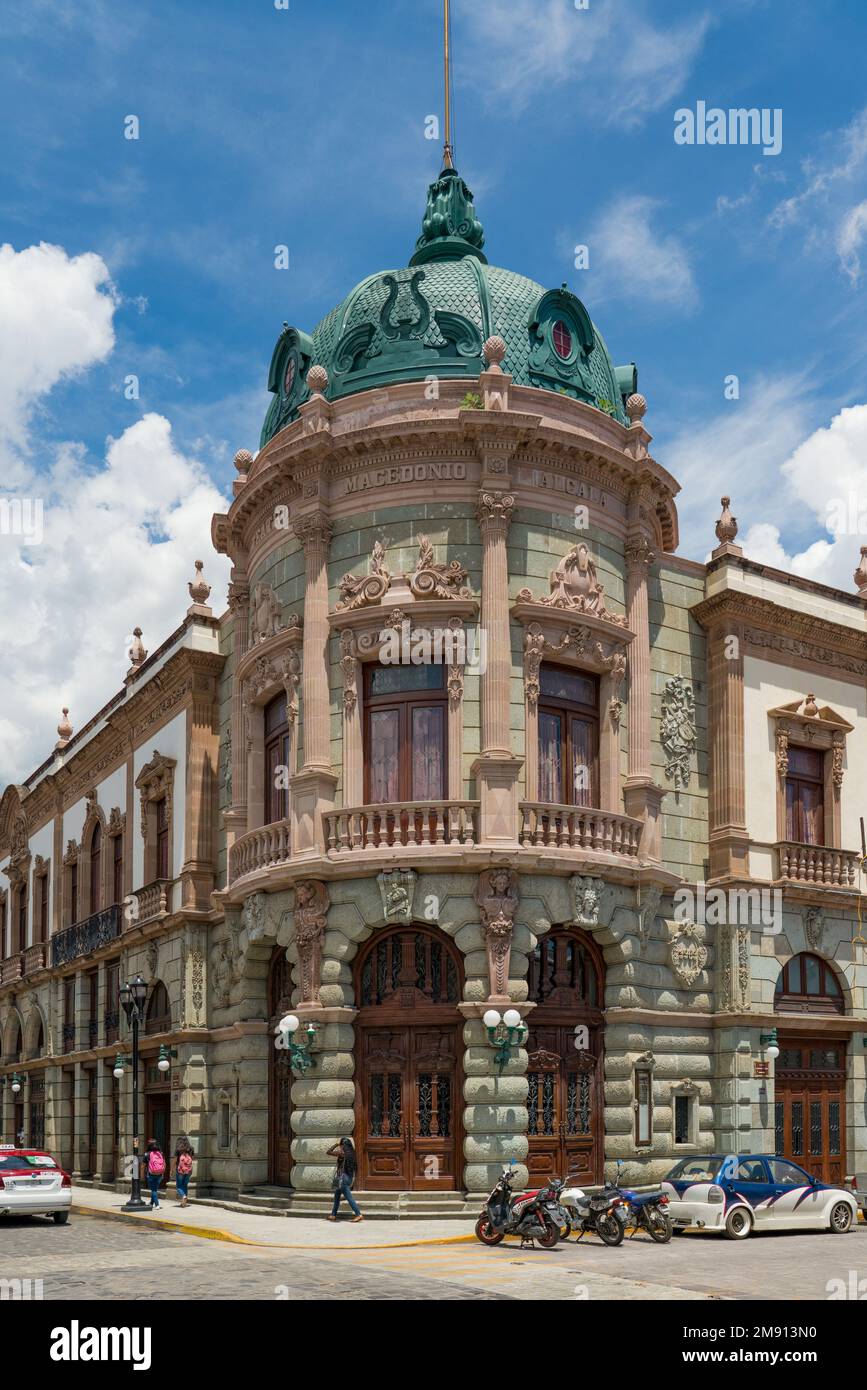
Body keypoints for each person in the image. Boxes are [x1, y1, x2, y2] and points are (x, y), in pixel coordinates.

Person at [326, 1137, 363, 1222]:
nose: (340, 1147)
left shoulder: (342, 1153)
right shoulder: (351, 1154)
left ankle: (358, 1214)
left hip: (343, 1179)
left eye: (341, 1145)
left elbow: (328, 1152)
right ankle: (333, 1215)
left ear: (343, 1145)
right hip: (348, 1178)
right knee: (337, 1197)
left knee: (349, 1198)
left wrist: (336, 1144)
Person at [171, 1137, 195, 1208]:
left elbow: (175, 1161)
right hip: (189, 1170)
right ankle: (184, 1203)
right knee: (185, 1185)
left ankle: (183, 1196)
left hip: (180, 1170)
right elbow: (192, 1159)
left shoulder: (178, 1149)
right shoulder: (191, 1148)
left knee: (179, 1186)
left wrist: (172, 1169)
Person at [143, 1138, 166, 1209]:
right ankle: (151, 1203)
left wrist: (141, 1175)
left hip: (151, 1174)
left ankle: (157, 1204)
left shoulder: (147, 1154)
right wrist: (163, 1173)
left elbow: (142, 1165)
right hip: (159, 1173)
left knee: (154, 1190)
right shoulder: (161, 1153)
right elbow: (164, 1164)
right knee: (155, 1189)